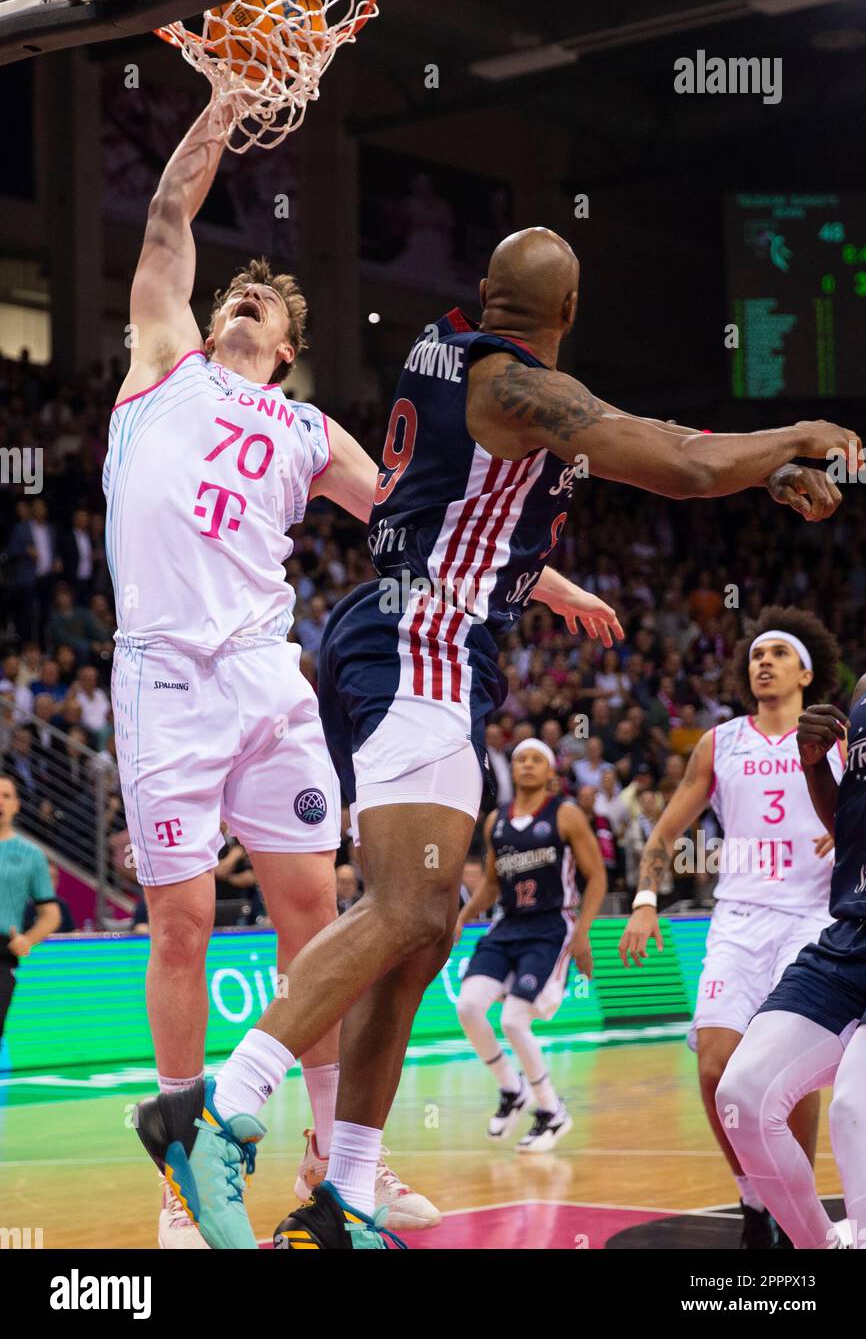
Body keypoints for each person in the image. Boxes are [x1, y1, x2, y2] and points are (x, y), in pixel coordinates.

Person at [135, 225, 854, 1251]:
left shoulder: (463, 357)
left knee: (422, 933)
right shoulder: (511, 386)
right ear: (568, 313)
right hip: (418, 643)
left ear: (487, 293)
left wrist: (755, 474)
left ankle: (341, 1198)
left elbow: (625, 431)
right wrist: (792, 437)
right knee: (407, 905)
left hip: (411, 645)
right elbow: (676, 465)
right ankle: (213, 1108)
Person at [112, 86, 437, 1246]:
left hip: (266, 680)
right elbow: (163, 220)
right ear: (208, 326)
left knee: (319, 924)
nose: (241, 300)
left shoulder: (305, 431)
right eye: (232, 294)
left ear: (287, 351)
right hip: (163, 677)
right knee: (186, 919)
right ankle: (181, 1177)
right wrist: (222, 103)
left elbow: (414, 520)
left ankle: (334, 1164)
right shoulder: (163, 363)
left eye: (263, 303)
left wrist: (544, 578)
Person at [619, 607, 843, 1248]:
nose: (763, 662)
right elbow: (667, 831)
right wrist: (643, 899)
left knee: (788, 1075)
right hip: (739, 919)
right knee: (717, 1067)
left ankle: (798, 1220)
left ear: (806, 670)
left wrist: (850, 828)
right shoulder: (721, 742)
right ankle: (755, 1198)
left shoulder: (832, 733)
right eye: (755, 655)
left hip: (812, 919)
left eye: (777, 654)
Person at [714, 674, 866, 1250]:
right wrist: (813, 766)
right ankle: (815, 1248)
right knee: (742, 1096)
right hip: (850, 932)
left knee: (854, 1108)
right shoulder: (863, 694)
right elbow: (851, 827)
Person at [455, 738, 606, 1150]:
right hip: (507, 926)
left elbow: (597, 877)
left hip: (550, 927)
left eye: (536, 759)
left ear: (549, 772)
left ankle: (552, 1110)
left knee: (513, 1020)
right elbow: (490, 882)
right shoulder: (496, 821)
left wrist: (584, 933)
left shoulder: (566, 815)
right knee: (468, 1006)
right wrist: (463, 918)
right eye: (520, 758)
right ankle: (511, 1088)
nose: (526, 764)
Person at [0, 777, 60, 1044]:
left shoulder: (31, 854)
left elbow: (51, 914)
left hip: (3, 951)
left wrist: (28, 939)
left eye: (6, 795)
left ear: (17, 805)